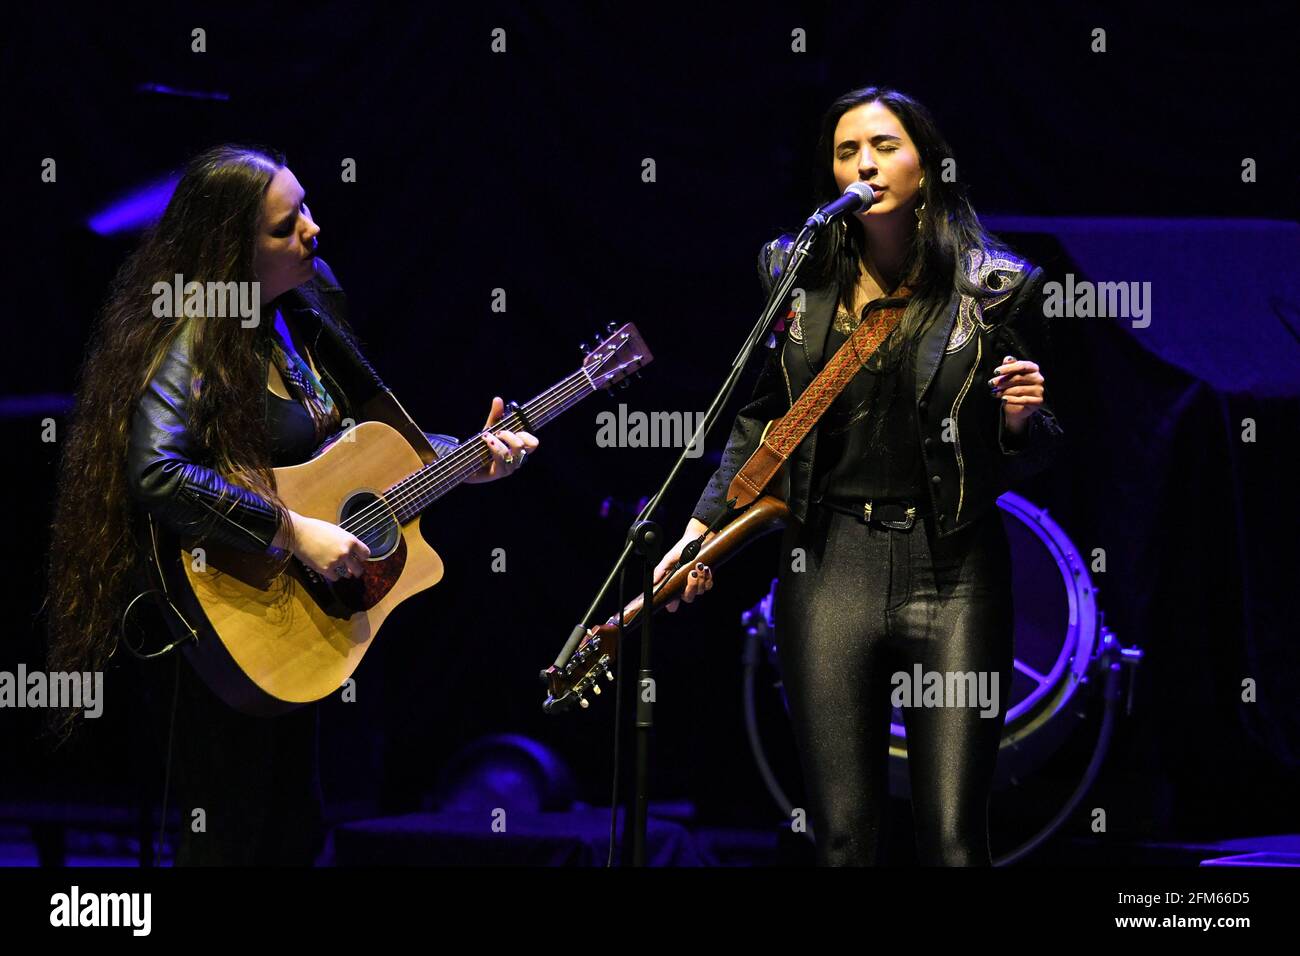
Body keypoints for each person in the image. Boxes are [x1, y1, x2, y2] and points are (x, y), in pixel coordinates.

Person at [43, 144, 537, 865]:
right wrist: (292, 531)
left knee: (295, 835)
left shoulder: (304, 308)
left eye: (305, 206)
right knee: (231, 842)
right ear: (228, 252)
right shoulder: (195, 333)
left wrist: (466, 458)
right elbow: (157, 473)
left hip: (301, 625)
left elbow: (359, 452)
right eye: (284, 226)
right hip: (223, 622)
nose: (311, 228)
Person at [654, 87, 1064, 865]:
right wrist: (702, 527)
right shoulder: (795, 272)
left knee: (951, 841)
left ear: (928, 164)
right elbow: (764, 414)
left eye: (884, 145)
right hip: (828, 562)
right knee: (842, 838)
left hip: (953, 571)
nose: (865, 163)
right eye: (847, 152)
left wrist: (1016, 421)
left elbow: (1043, 447)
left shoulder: (997, 286)